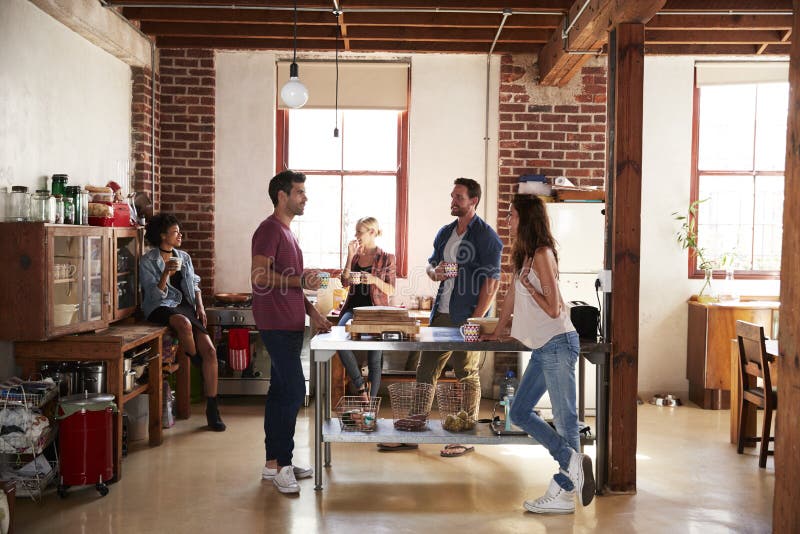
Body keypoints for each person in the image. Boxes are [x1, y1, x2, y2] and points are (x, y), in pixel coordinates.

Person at [484, 194, 595, 514]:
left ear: (527, 219)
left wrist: (531, 289)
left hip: (558, 343)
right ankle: (572, 462)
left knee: (565, 419)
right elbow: (508, 297)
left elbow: (554, 307)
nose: (507, 220)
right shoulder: (524, 256)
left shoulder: (543, 254)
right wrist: (498, 330)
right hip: (543, 347)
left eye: (512, 215)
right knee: (518, 412)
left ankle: (564, 491)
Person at [381, 178, 502, 455]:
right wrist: (434, 273)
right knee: (426, 369)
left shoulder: (486, 236)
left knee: (466, 373)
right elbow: (431, 265)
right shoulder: (446, 232)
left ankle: (466, 432)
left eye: (459, 197)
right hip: (441, 314)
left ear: (474, 201)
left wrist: (475, 320)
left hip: (468, 317)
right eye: (452, 196)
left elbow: (492, 282)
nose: (453, 201)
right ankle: (415, 427)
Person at [251, 170, 332, 494]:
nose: (305, 197)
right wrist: (299, 281)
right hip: (275, 324)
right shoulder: (269, 229)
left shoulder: (287, 234)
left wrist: (313, 314)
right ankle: (283, 463)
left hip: (289, 323)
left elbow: (295, 287)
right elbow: (259, 276)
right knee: (296, 391)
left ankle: (274, 465)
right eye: (299, 192)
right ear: (282, 196)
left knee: (280, 392)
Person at [140, 214, 225, 432]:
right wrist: (166, 273)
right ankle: (197, 361)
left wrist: (200, 305)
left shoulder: (184, 257)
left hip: (185, 306)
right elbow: (153, 296)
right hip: (160, 307)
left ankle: (212, 409)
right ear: (162, 235)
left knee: (211, 352)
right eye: (176, 232)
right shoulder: (147, 261)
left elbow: (194, 284)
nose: (180, 235)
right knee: (183, 324)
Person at [337, 217, 396, 400]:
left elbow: (391, 289)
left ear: (371, 232)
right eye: (356, 232)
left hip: (376, 311)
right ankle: (360, 386)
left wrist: (374, 280)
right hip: (353, 309)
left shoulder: (387, 258)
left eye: (359, 232)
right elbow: (345, 282)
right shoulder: (355, 256)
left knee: (374, 360)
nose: (356, 236)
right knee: (338, 338)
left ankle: (371, 406)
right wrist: (349, 256)